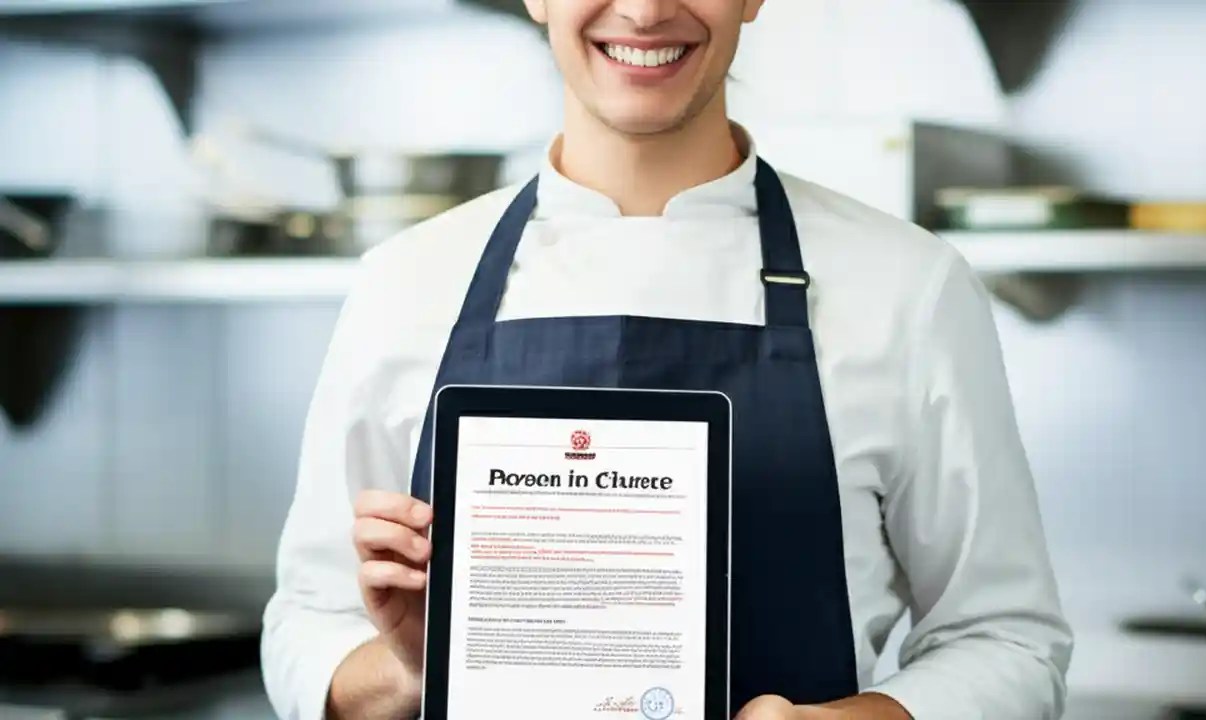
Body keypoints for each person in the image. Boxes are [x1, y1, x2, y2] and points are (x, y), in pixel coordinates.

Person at [260, 0, 1074, 718]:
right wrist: (408, 670)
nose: (646, 11)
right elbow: (306, 622)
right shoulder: (406, 282)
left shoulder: (906, 287)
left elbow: (1008, 639)